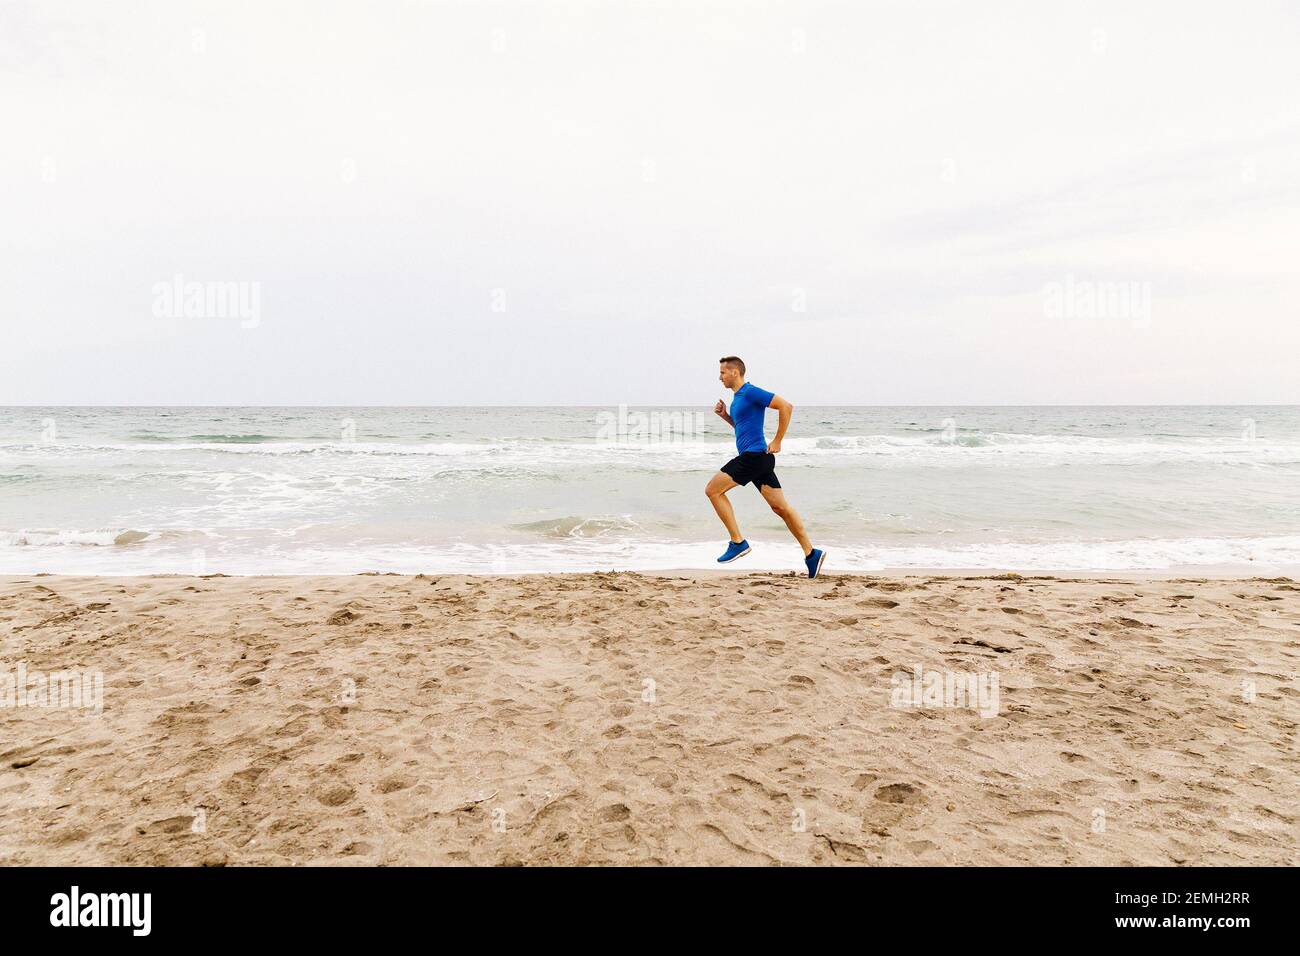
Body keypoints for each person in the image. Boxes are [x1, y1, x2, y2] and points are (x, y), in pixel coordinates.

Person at [706, 355, 825, 578]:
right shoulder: (738, 398)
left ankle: (738, 542)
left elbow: (785, 406)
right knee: (781, 509)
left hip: (753, 458)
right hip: (758, 459)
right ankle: (812, 554)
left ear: (735, 372)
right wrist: (726, 417)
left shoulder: (750, 392)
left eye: (723, 372)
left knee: (712, 490)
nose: (719, 377)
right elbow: (743, 428)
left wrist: (778, 440)